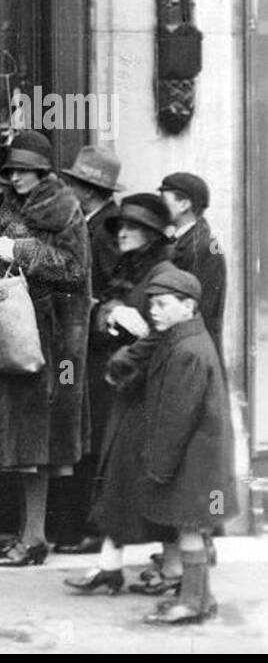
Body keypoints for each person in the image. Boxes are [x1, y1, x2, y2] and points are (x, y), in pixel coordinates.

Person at [70, 270, 236, 625]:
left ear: (188, 306)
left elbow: (176, 416)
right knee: (191, 528)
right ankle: (199, 598)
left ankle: (192, 603)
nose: (154, 312)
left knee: (190, 528)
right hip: (198, 456)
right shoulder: (183, 339)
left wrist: (159, 466)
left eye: (162, 304)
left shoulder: (186, 350)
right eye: (152, 304)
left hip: (193, 459)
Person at [0, 130, 91, 568]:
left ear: (43, 170)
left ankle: (34, 538)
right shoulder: (14, 206)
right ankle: (26, 532)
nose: (15, 176)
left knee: (36, 446)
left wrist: (17, 248)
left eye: (24, 169)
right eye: (12, 169)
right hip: (17, 334)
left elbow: (74, 269)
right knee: (21, 444)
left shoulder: (63, 207)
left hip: (50, 343)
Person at [65, 195, 178, 596]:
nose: (123, 232)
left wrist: (137, 332)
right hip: (129, 388)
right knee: (120, 476)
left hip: (150, 390)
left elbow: (169, 334)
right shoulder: (129, 268)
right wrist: (110, 312)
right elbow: (106, 305)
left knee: (153, 477)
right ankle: (111, 565)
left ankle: (174, 566)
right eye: (121, 226)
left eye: (133, 227)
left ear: (151, 234)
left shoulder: (164, 272)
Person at [54, 145, 125, 555]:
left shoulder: (107, 227)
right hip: (90, 345)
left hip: (100, 348)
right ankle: (87, 527)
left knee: (95, 437)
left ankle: (94, 529)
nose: (69, 187)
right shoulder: (92, 222)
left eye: (76, 183)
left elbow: (116, 283)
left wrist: (98, 306)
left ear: (90, 190)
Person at [158, 173, 226, 362]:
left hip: (190, 351)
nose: (159, 206)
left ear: (184, 204)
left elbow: (201, 308)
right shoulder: (182, 240)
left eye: (163, 199)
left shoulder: (204, 247)